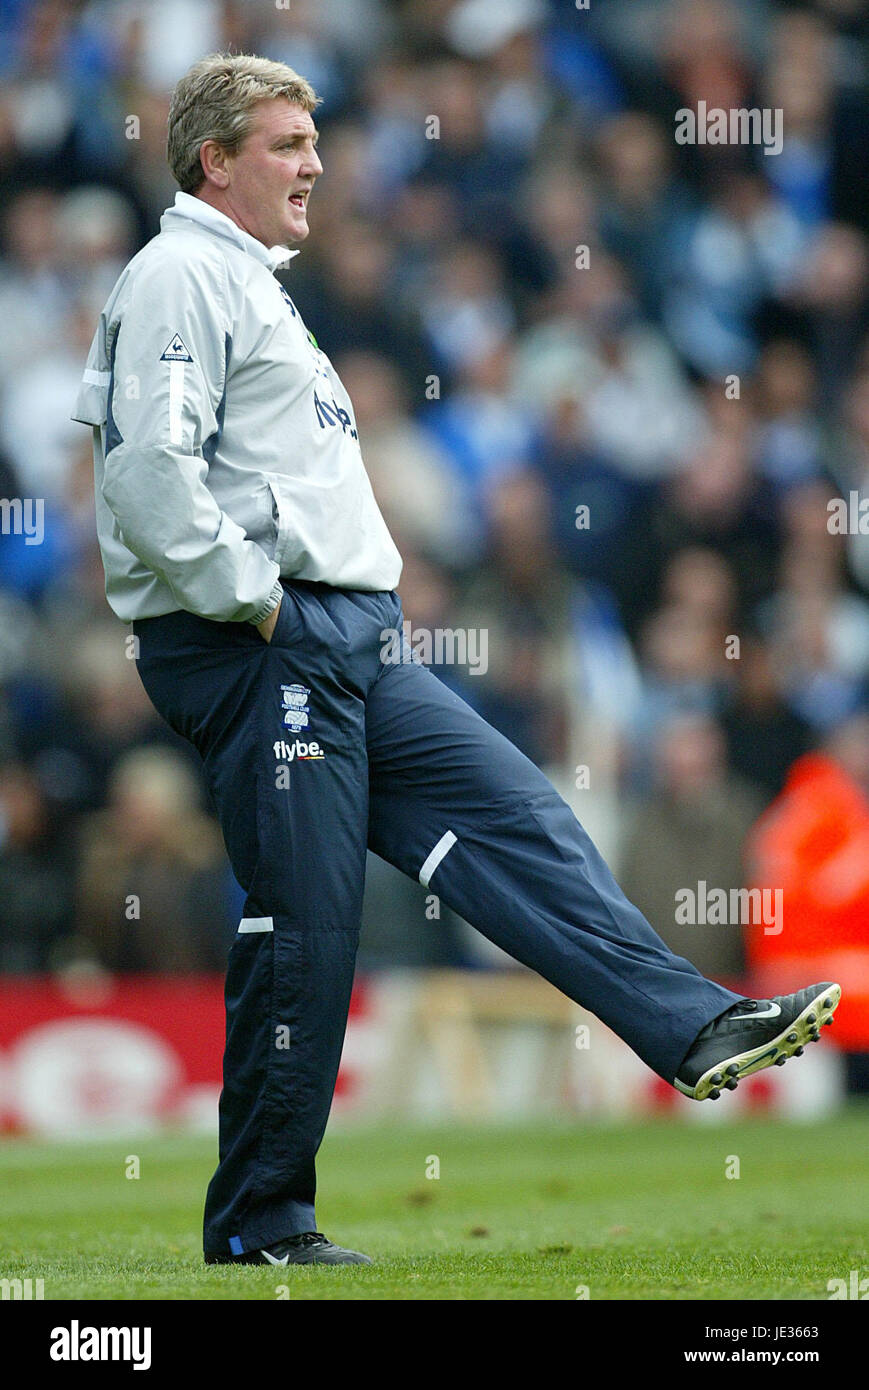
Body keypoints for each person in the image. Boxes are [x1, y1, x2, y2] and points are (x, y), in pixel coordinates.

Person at [72, 53, 841, 1268]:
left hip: (343, 641)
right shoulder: (180, 275)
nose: (316, 163)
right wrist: (261, 608)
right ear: (214, 160)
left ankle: (690, 1023)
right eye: (285, 142)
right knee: (309, 931)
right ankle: (261, 1225)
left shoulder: (247, 284)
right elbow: (150, 477)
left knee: (517, 815)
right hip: (266, 643)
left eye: (314, 139)